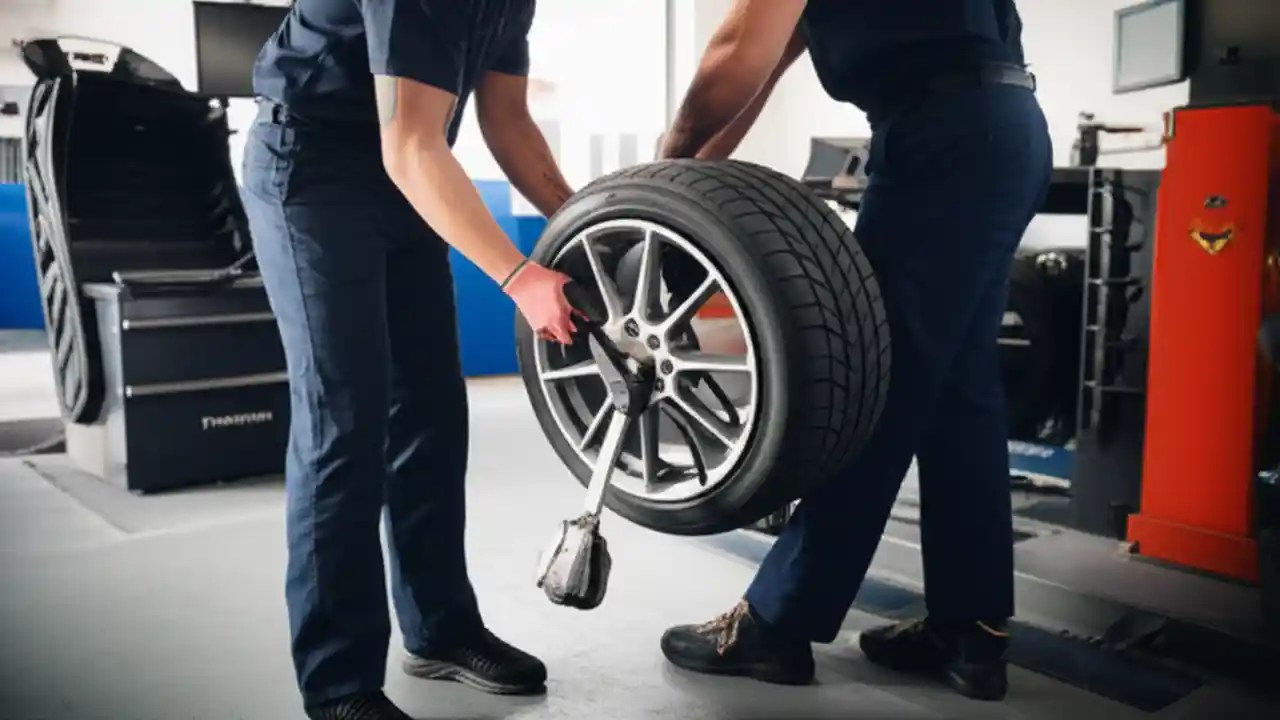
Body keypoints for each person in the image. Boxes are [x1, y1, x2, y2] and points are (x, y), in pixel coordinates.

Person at [655, 0, 1050, 702]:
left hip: (942, 138)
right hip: (1002, 130)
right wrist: (688, 178)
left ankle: (778, 622)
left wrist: (672, 154)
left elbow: (736, 53)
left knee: (875, 382)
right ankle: (971, 630)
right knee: (961, 394)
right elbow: (767, 63)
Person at [240, 1, 580, 718]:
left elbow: (508, 119)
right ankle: (339, 684)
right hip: (315, 166)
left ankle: (440, 630)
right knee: (345, 422)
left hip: (408, 173)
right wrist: (519, 278)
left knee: (430, 412)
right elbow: (411, 142)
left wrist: (581, 223)